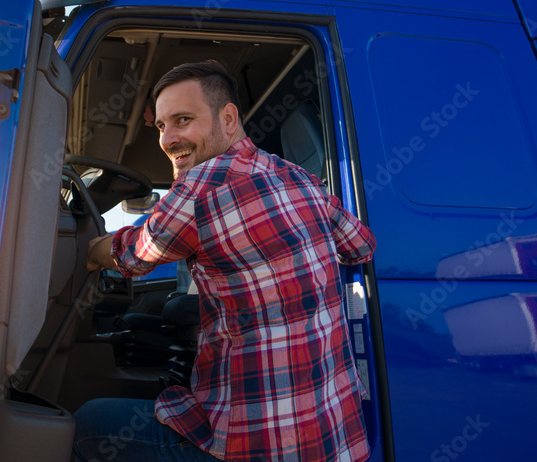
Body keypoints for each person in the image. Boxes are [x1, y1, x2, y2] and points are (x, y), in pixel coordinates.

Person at [74, 60, 376, 462]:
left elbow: (131, 254)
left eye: (183, 120)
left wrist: (87, 250)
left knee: (86, 425)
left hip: (256, 449)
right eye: (162, 126)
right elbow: (361, 245)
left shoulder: (201, 186)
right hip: (336, 441)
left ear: (228, 118)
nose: (168, 138)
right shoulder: (300, 178)